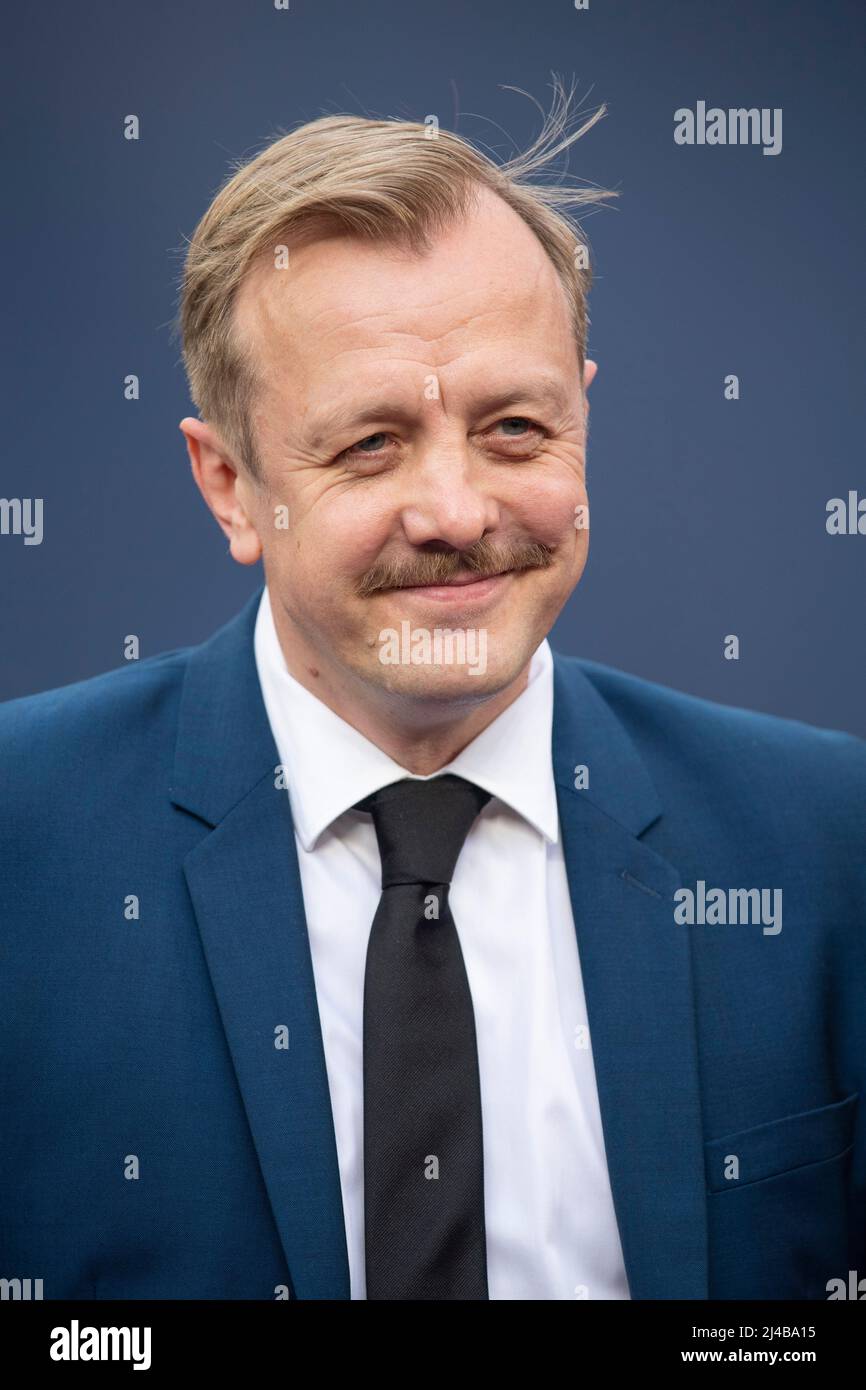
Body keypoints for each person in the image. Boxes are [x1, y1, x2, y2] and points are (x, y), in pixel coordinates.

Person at [1, 88, 864, 1302]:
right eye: (369, 444)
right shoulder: (19, 843)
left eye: (514, 427)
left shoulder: (825, 841)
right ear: (230, 486)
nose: (457, 512)